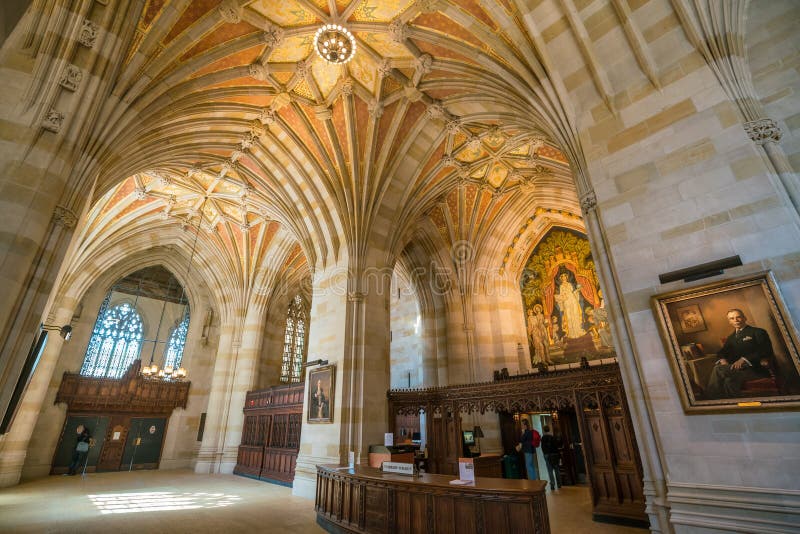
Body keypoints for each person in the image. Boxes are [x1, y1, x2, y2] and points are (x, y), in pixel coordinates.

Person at [705, 309, 774, 399]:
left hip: (756, 370)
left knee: (719, 369)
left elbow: (765, 350)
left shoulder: (758, 332)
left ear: (744, 318)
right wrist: (722, 359)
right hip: (738, 370)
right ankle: (733, 403)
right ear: (729, 322)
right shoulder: (731, 337)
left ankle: (710, 399)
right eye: (732, 318)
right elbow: (721, 352)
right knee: (728, 380)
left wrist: (744, 359)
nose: (736, 320)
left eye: (738, 317)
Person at [554, 272, 585, 338]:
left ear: (566, 277)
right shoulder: (561, 286)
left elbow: (572, 292)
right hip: (566, 301)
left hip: (572, 299)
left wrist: (577, 290)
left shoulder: (569, 284)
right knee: (569, 315)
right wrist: (562, 296)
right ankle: (572, 332)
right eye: (562, 277)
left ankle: (578, 330)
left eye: (565, 276)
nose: (564, 278)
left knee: (575, 313)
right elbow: (561, 295)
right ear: (561, 279)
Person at [540, 425, 563, 490]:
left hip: (547, 455)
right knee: (556, 469)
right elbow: (556, 447)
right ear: (549, 429)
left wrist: (545, 454)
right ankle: (559, 484)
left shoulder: (543, 438)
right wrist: (559, 456)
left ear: (544, 430)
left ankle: (552, 484)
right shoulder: (552, 437)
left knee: (550, 470)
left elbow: (543, 448)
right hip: (554, 455)